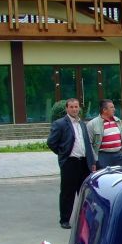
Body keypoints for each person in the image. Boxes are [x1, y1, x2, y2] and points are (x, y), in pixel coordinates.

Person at [47, 97, 96, 228]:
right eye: (72, 107)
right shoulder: (60, 124)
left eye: (76, 107)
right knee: (67, 193)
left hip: (83, 162)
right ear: (67, 108)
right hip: (70, 163)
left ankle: (84, 218)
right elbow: (51, 142)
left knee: (85, 192)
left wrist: (92, 162)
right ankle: (64, 219)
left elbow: (87, 143)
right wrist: (63, 153)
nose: (74, 109)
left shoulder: (82, 124)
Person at [88, 99, 122, 170]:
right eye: (112, 107)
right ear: (104, 110)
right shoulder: (92, 124)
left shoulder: (117, 121)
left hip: (119, 154)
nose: (114, 109)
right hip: (103, 156)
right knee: (105, 178)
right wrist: (94, 160)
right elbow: (89, 143)